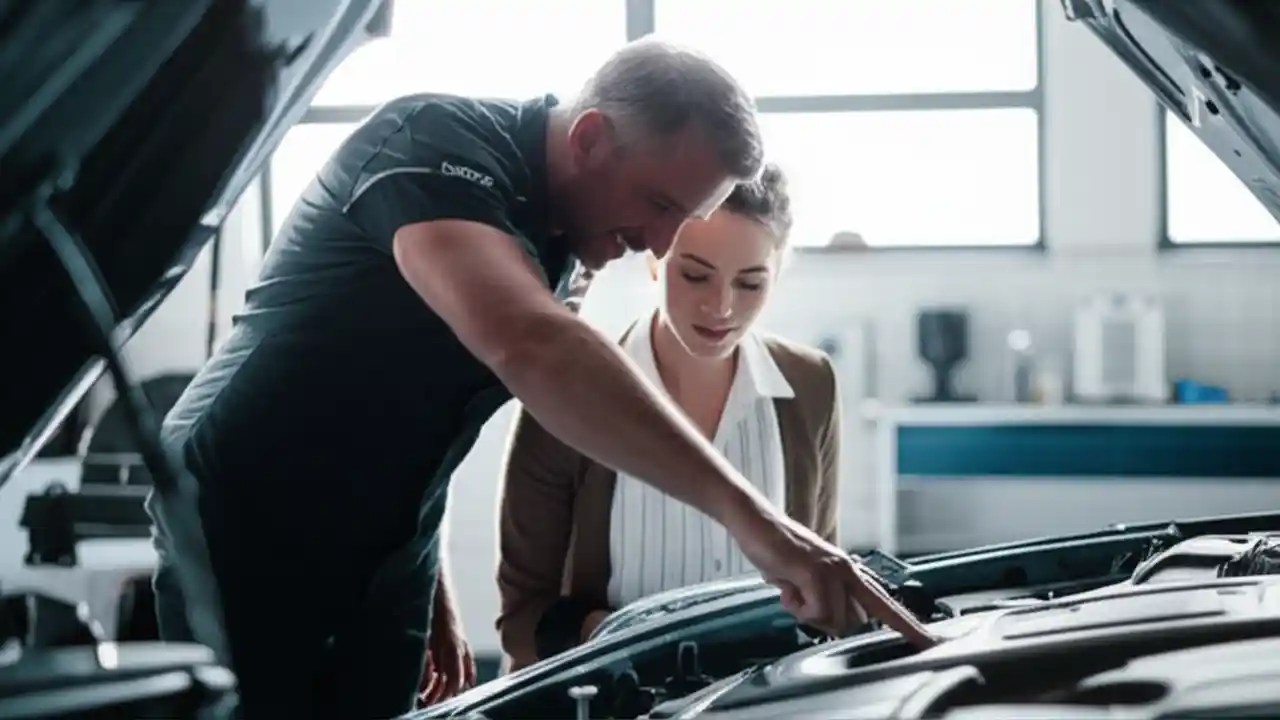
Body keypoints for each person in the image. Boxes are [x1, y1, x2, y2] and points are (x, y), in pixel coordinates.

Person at [146, 36, 934, 720]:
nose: (658, 245)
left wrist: (426, 580)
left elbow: (423, 401)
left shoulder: (566, 236)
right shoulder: (432, 145)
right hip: (248, 505)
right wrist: (762, 526)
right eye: (659, 203)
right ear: (590, 136)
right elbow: (528, 344)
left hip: (385, 542)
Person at [496, 163, 853, 671]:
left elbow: (822, 573)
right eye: (695, 274)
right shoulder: (569, 392)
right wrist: (633, 641)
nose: (720, 307)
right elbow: (522, 621)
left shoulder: (809, 384)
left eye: (750, 284)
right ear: (655, 263)